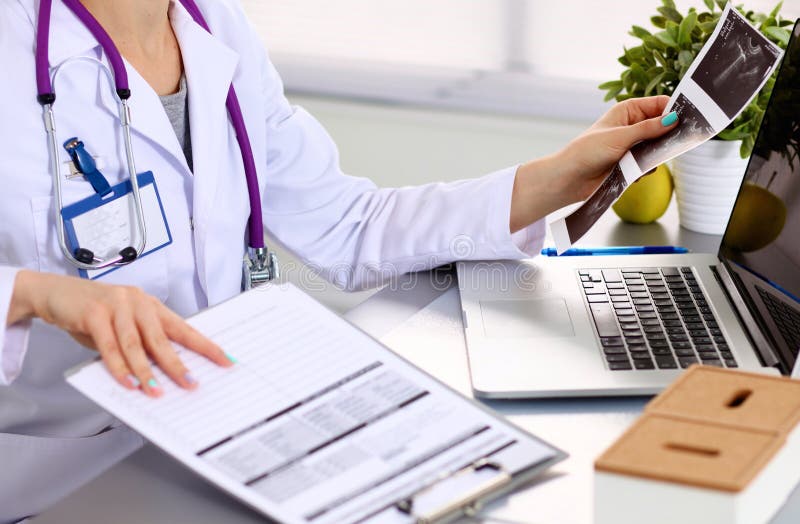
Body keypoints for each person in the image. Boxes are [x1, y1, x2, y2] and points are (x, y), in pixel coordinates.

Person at [0, 0, 678, 520]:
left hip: (218, 446)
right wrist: (33, 294)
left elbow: (349, 226)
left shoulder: (214, 27)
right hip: (60, 476)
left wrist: (552, 178)